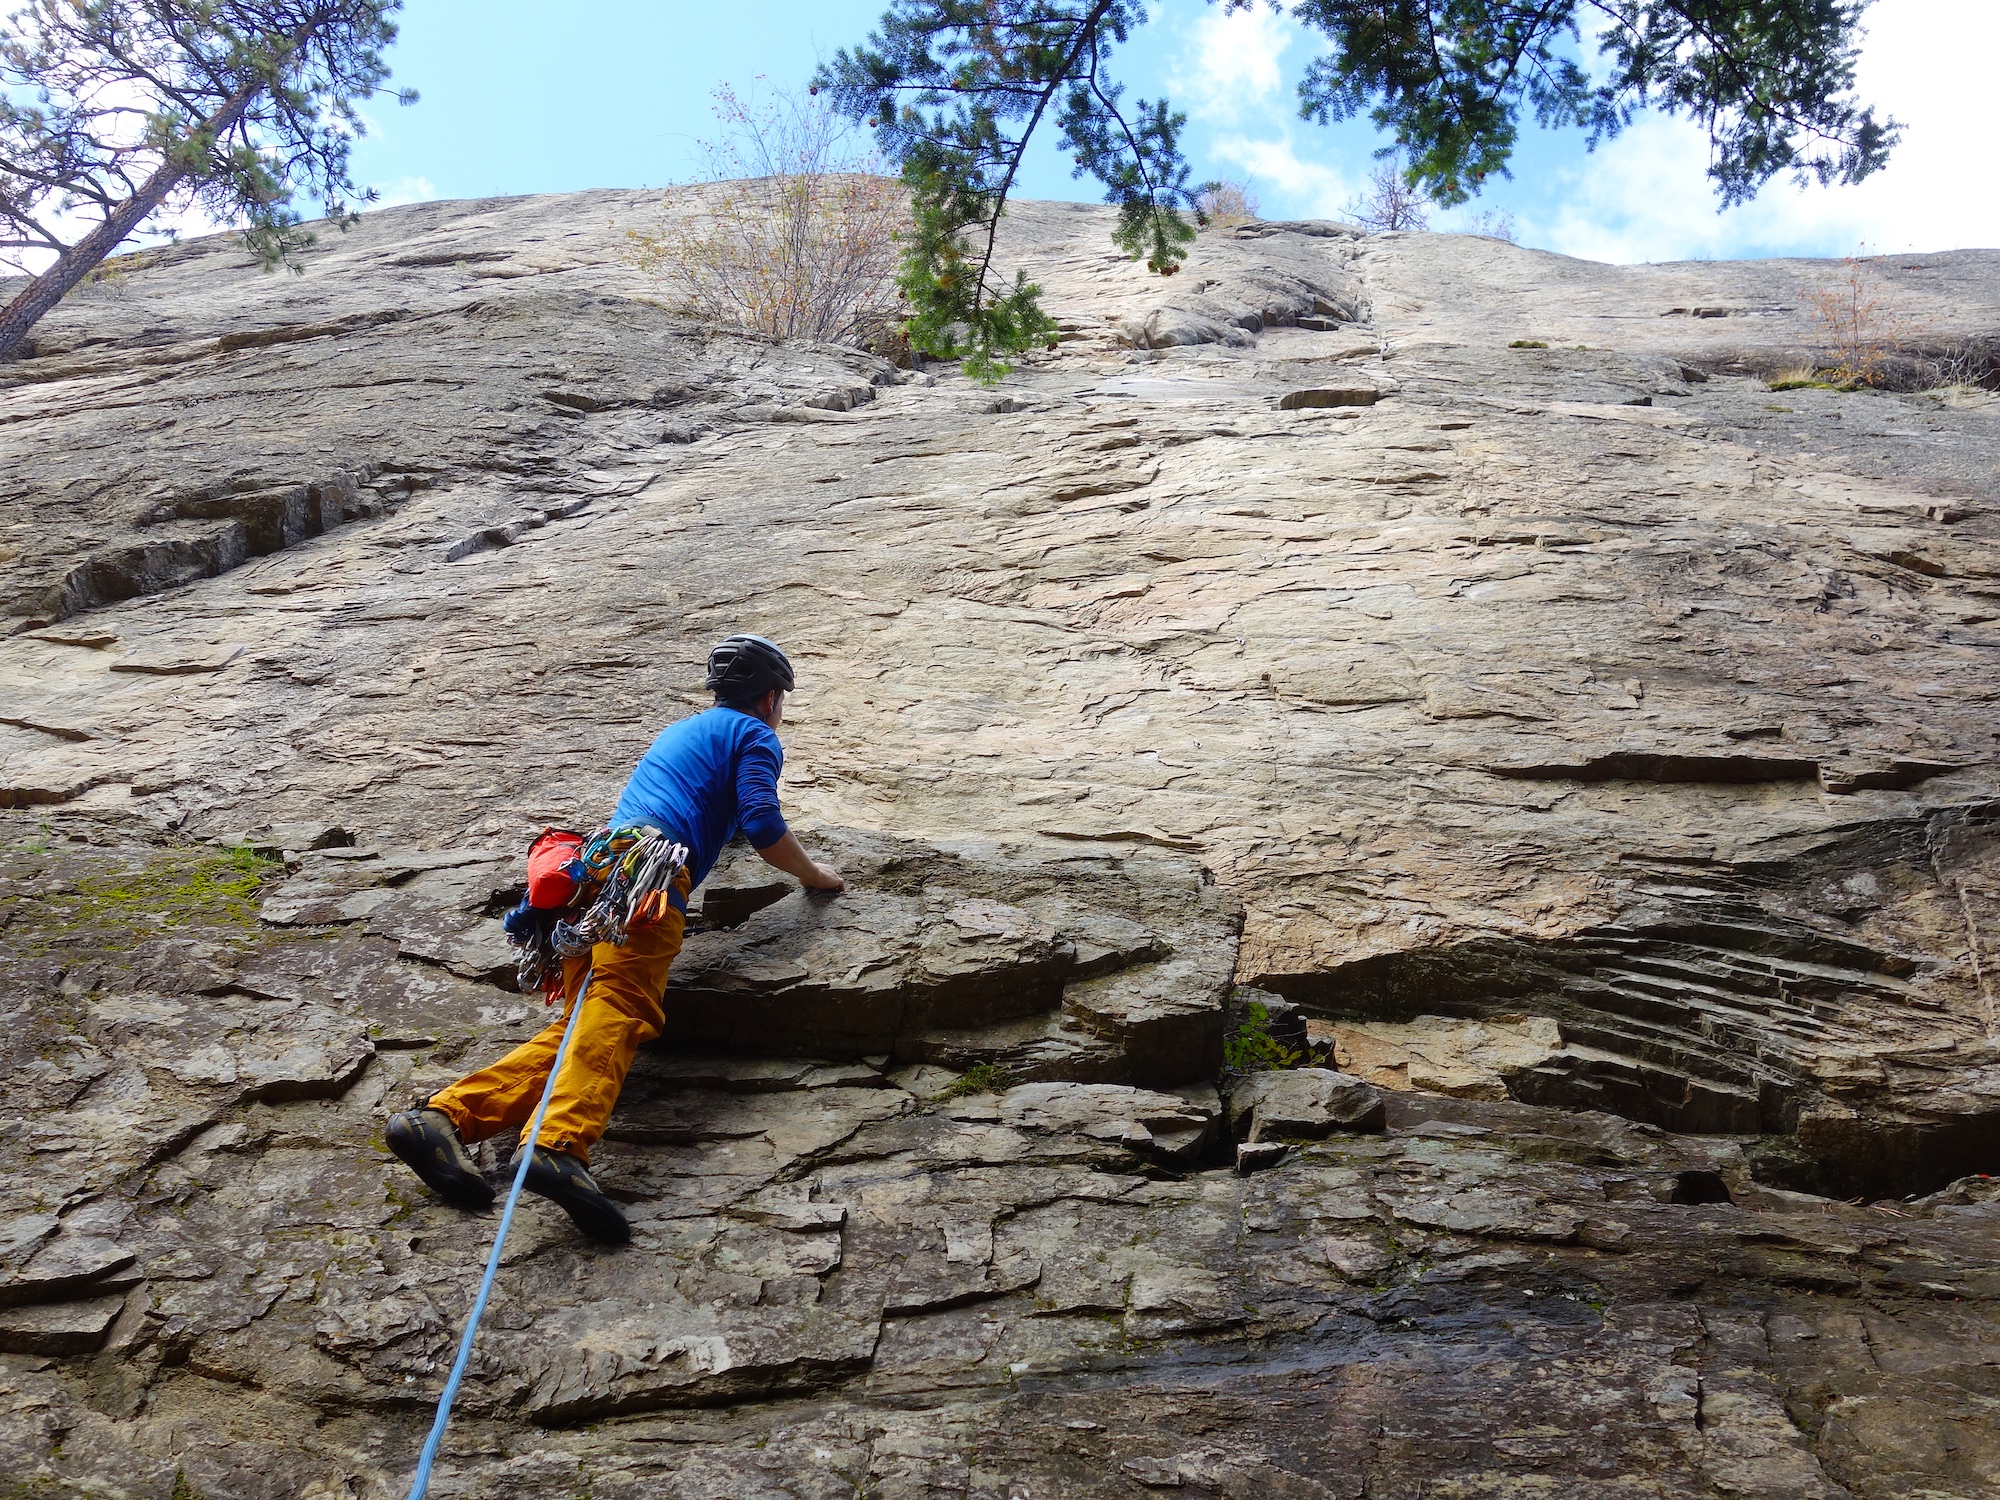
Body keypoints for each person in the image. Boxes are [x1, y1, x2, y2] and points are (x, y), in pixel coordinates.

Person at [384, 634, 844, 1245]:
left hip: (591, 879)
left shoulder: (681, 733)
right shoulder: (756, 734)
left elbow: (705, 810)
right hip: (646, 882)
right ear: (770, 697)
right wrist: (816, 877)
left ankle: (441, 1121)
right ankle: (555, 1145)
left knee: (583, 1024)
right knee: (623, 1005)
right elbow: (761, 822)